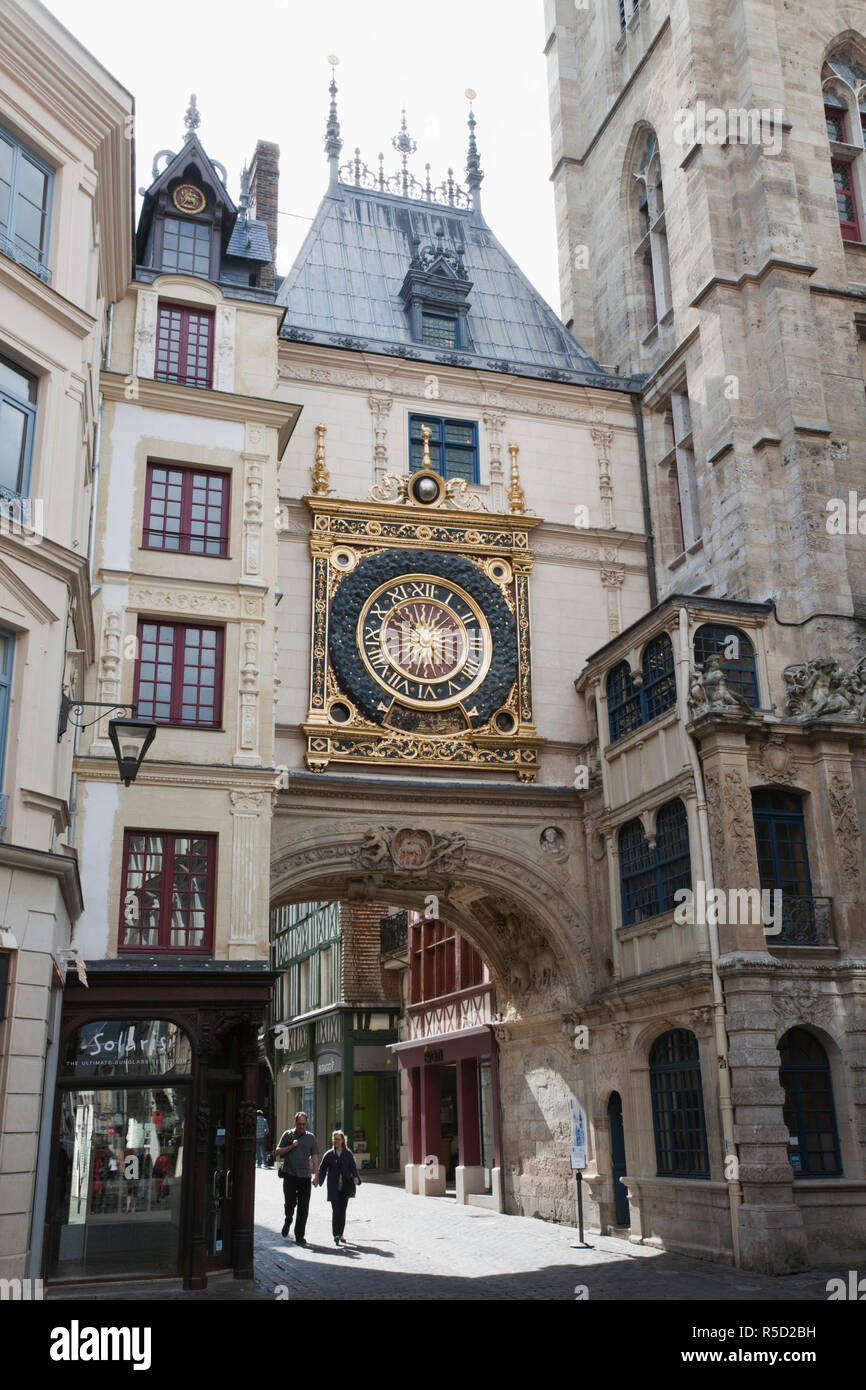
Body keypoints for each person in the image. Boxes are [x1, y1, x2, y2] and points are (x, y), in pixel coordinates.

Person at [275, 1111, 319, 1246]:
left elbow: (315, 1156)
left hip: (305, 1176)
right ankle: (288, 1219)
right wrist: (291, 1146)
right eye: (299, 1124)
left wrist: (316, 1175)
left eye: (304, 1124)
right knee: (290, 1203)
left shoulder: (310, 1137)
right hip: (290, 1175)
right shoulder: (287, 1135)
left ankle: (300, 1235)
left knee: (303, 1207)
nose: (301, 1126)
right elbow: (277, 1151)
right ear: (295, 1123)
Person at [317, 1130, 360, 1246]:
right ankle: (336, 1234)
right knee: (336, 1211)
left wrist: (356, 1177)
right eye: (334, 1139)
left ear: (342, 1141)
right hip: (333, 1187)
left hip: (345, 1187)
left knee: (342, 1211)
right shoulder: (329, 1154)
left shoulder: (348, 1154)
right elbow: (322, 1169)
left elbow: (353, 1167)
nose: (335, 1141)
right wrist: (318, 1180)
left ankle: (340, 1233)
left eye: (337, 1139)